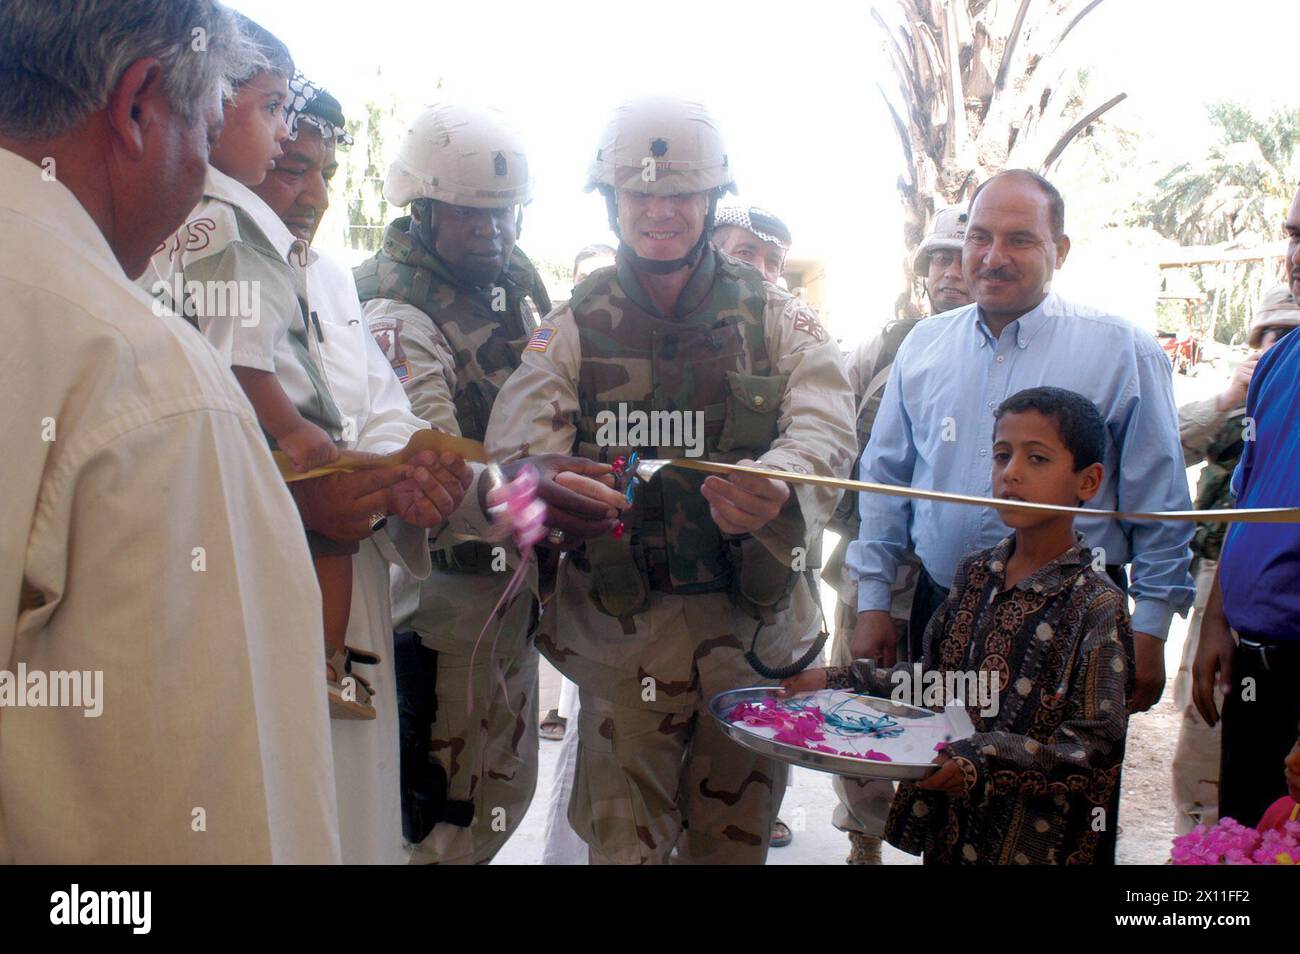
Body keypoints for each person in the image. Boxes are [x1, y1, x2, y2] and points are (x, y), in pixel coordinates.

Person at [0, 0, 339, 862]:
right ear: (140, 104)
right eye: (211, 121)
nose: (209, 170)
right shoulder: (146, 377)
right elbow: (215, 803)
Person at [485, 95, 856, 864]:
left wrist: (782, 482)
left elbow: (827, 422)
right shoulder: (572, 324)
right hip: (624, 646)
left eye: (681, 194)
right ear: (610, 200)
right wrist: (540, 485)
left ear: (711, 198)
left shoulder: (774, 316)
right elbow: (517, 450)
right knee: (626, 850)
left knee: (735, 846)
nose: (660, 211)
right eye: (640, 193)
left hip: (751, 643)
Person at [250, 73, 475, 862]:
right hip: (248, 595)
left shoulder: (331, 277)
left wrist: (414, 480)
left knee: (349, 817)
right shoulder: (182, 267)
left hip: (358, 608)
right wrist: (298, 502)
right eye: (289, 168)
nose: (313, 195)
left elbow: (381, 413)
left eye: (326, 174)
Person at [786, 387, 1134, 865]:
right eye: (1001, 455)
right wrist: (834, 680)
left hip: (1034, 843)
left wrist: (982, 759)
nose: (1010, 473)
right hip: (952, 829)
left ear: (1088, 481)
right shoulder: (975, 576)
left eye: (1037, 459)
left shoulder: (1096, 605)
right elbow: (935, 683)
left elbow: (1094, 745)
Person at [356, 103, 554, 864]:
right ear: (426, 210)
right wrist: (549, 494)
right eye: (474, 216)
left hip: (507, 590)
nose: (494, 232)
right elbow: (436, 467)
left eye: (504, 214)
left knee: (501, 793)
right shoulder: (397, 312)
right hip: (446, 600)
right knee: (440, 814)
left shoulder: (513, 294)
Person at [823, 204, 972, 864]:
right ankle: (864, 839)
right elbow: (830, 439)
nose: (951, 271)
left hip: (967, 577)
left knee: (954, 707)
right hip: (879, 570)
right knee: (859, 701)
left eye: (962, 256)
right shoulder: (883, 349)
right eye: (938, 258)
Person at [1171, 284, 1299, 835]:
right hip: (1255, 663)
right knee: (1245, 839)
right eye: (1294, 235)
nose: (1297, 252)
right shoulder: (1278, 363)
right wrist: (1219, 619)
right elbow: (1247, 501)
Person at [711, 201, 811, 849]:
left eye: (773, 260)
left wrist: (785, 474)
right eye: (746, 252)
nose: (762, 270)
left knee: (739, 817)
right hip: (645, 622)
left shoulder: (796, 336)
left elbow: (830, 427)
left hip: (766, 613)